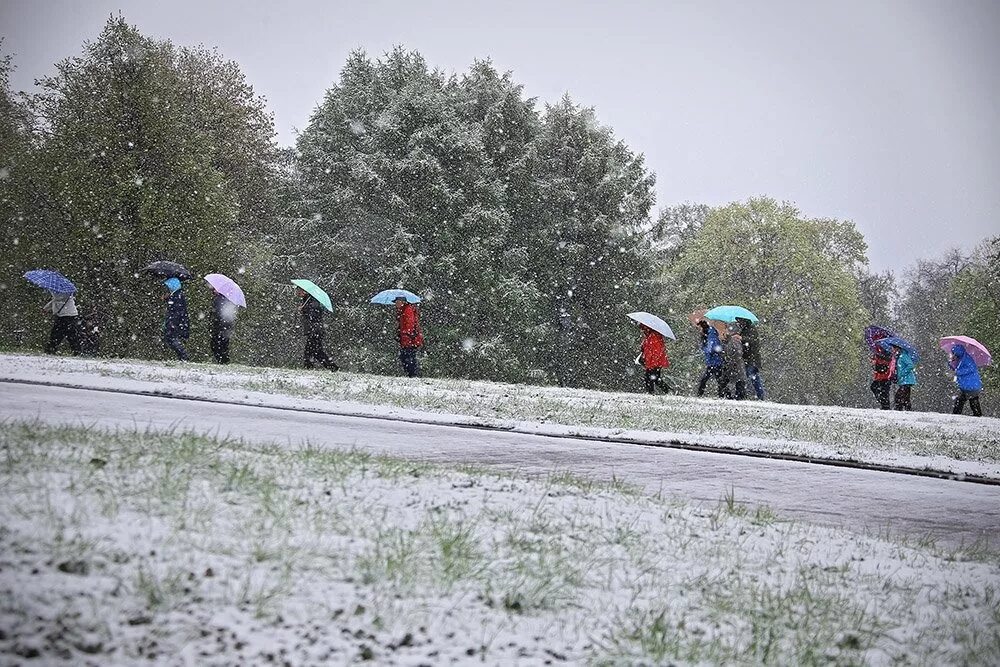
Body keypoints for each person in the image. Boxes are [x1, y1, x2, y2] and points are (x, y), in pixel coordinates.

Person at [298, 287, 338, 371]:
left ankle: (309, 368)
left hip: (315, 330)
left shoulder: (313, 302)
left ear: (304, 291)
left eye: (299, 291)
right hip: (314, 330)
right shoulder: (307, 301)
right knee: (317, 352)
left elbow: (313, 316)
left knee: (309, 351)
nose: (297, 293)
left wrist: (304, 310)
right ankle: (332, 367)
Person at [42, 290, 82, 355]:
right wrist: (46, 308)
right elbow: (55, 300)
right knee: (70, 334)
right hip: (68, 315)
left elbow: (56, 299)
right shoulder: (64, 292)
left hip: (66, 315)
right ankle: (77, 350)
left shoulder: (62, 293)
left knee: (58, 333)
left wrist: (46, 308)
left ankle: (51, 349)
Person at [949, 344, 983, 417]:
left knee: (965, 399)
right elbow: (955, 368)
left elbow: (971, 368)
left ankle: (957, 414)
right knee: (971, 399)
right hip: (968, 385)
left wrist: (958, 372)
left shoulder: (966, 359)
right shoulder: (960, 359)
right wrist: (951, 362)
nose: (953, 354)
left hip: (971, 384)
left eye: (954, 353)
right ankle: (977, 414)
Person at [737, 318, 765, 400]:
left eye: (740, 321)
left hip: (752, 359)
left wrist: (741, 338)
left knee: (752, 378)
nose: (738, 323)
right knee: (753, 378)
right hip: (749, 359)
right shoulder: (745, 329)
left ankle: (759, 396)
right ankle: (759, 395)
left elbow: (751, 341)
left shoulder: (751, 329)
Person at [395, 296, 424, 377]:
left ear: (402, 302)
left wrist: (406, 334)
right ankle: (411, 374)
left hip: (410, 339)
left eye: (397, 302)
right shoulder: (402, 310)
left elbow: (409, 324)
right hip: (407, 338)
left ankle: (413, 375)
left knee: (408, 357)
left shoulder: (407, 310)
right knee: (406, 357)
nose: (396, 304)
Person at [162, 278, 190, 361]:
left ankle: (184, 356)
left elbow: (176, 310)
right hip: (174, 321)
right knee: (171, 338)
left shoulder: (177, 296)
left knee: (172, 338)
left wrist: (172, 322)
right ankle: (182, 356)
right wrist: (167, 299)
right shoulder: (175, 295)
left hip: (175, 322)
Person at [638, 324, 671, 394]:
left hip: (654, 362)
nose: (642, 330)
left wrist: (653, 362)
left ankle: (653, 392)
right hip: (652, 361)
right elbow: (647, 349)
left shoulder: (654, 336)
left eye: (643, 328)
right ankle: (665, 391)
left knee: (651, 378)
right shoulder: (649, 336)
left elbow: (656, 351)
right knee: (654, 378)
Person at [695, 320, 724, 397]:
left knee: (705, 379)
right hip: (713, 361)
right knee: (719, 380)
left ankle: (699, 394)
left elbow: (711, 349)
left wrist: (705, 348)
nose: (699, 331)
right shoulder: (709, 335)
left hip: (714, 362)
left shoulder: (711, 335)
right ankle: (724, 394)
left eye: (700, 329)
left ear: (703, 327)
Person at [210, 290, 238, 364]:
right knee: (221, 345)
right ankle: (223, 361)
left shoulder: (220, 299)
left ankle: (223, 361)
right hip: (224, 326)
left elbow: (219, 313)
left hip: (221, 326)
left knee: (218, 345)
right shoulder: (224, 299)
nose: (213, 290)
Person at [720, 325, 747, 400]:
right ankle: (737, 395)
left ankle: (732, 395)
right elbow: (736, 352)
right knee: (738, 380)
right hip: (735, 364)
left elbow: (734, 352)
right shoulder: (734, 341)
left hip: (733, 364)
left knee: (732, 380)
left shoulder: (734, 341)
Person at [869, 340, 894, 410]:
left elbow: (887, 360)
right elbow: (875, 365)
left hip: (885, 376)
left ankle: (885, 406)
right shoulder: (879, 353)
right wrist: (873, 360)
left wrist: (877, 356)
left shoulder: (888, 353)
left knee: (884, 392)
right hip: (879, 376)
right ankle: (884, 404)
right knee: (875, 388)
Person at [893, 346, 916, 411]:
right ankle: (908, 410)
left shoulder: (903, 356)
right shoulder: (899, 357)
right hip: (904, 380)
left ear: (898, 348)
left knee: (899, 396)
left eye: (894, 348)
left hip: (907, 380)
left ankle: (898, 409)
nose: (893, 350)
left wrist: (902, 373)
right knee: (906, 397)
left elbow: (910, 365)